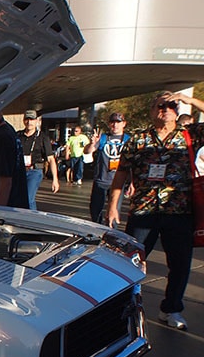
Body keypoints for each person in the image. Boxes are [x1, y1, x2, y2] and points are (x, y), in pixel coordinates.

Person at [106, 91, 204, 330]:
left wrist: (190, 100)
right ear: (151, 112)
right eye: (160, 106)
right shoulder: (138, 140)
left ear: (178, 111)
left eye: (171, 105)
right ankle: (124, 306)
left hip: (179, 212)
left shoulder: (190, 135)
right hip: (143, 210)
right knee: (131, 262)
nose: (166, 109)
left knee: (180, 264)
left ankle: (171, 309)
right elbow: (121, 173)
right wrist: (113, 206)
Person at [85, 112, 131, 223]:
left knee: (113, 213)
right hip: (101, 180)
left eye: (118, 122)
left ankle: (111, 232)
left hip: (118, 183)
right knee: (96, 213)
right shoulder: (103, 138)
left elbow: (133, 162)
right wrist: (92, 143)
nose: (115, 125)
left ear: (124, 124)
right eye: (112, 122)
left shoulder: (128, 139)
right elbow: (87, 151)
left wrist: (131, 182)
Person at [17, 109, 59, 209]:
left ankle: (31, 217)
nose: (29, 122)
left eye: (32, 119)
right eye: (27, 119)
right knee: (18, 199)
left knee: (28, 199)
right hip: (19, 171)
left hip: (34, 171)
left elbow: (51, 159)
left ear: (36, 121)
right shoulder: (18, 136)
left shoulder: (42, 137)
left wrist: (55, 179)